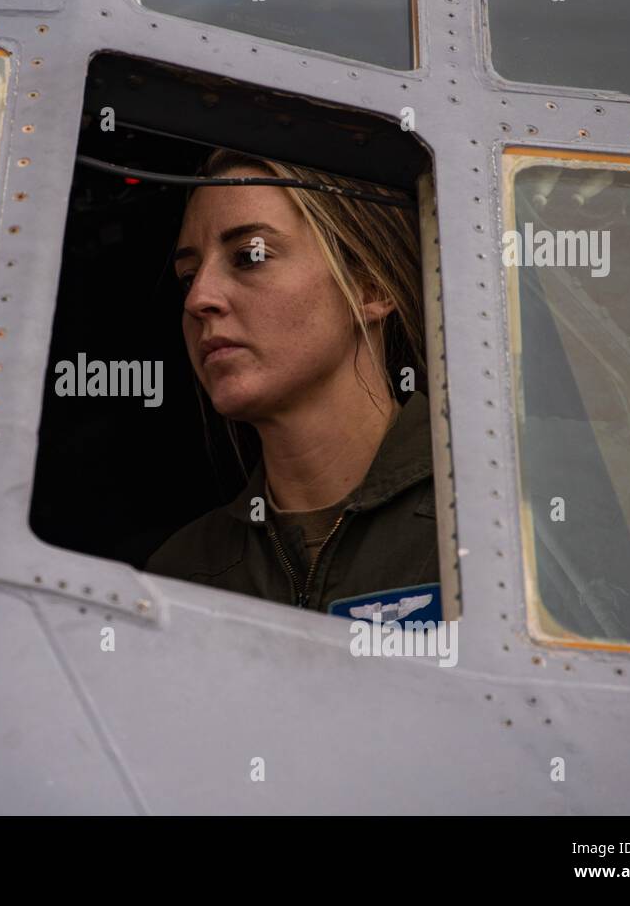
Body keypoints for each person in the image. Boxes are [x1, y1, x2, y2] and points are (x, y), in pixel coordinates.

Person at [145, 148, 439, 615]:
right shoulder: (178, 578)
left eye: (249, 255)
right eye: (187, 276)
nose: (199, 298)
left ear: (369, 285)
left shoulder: (500, 522)